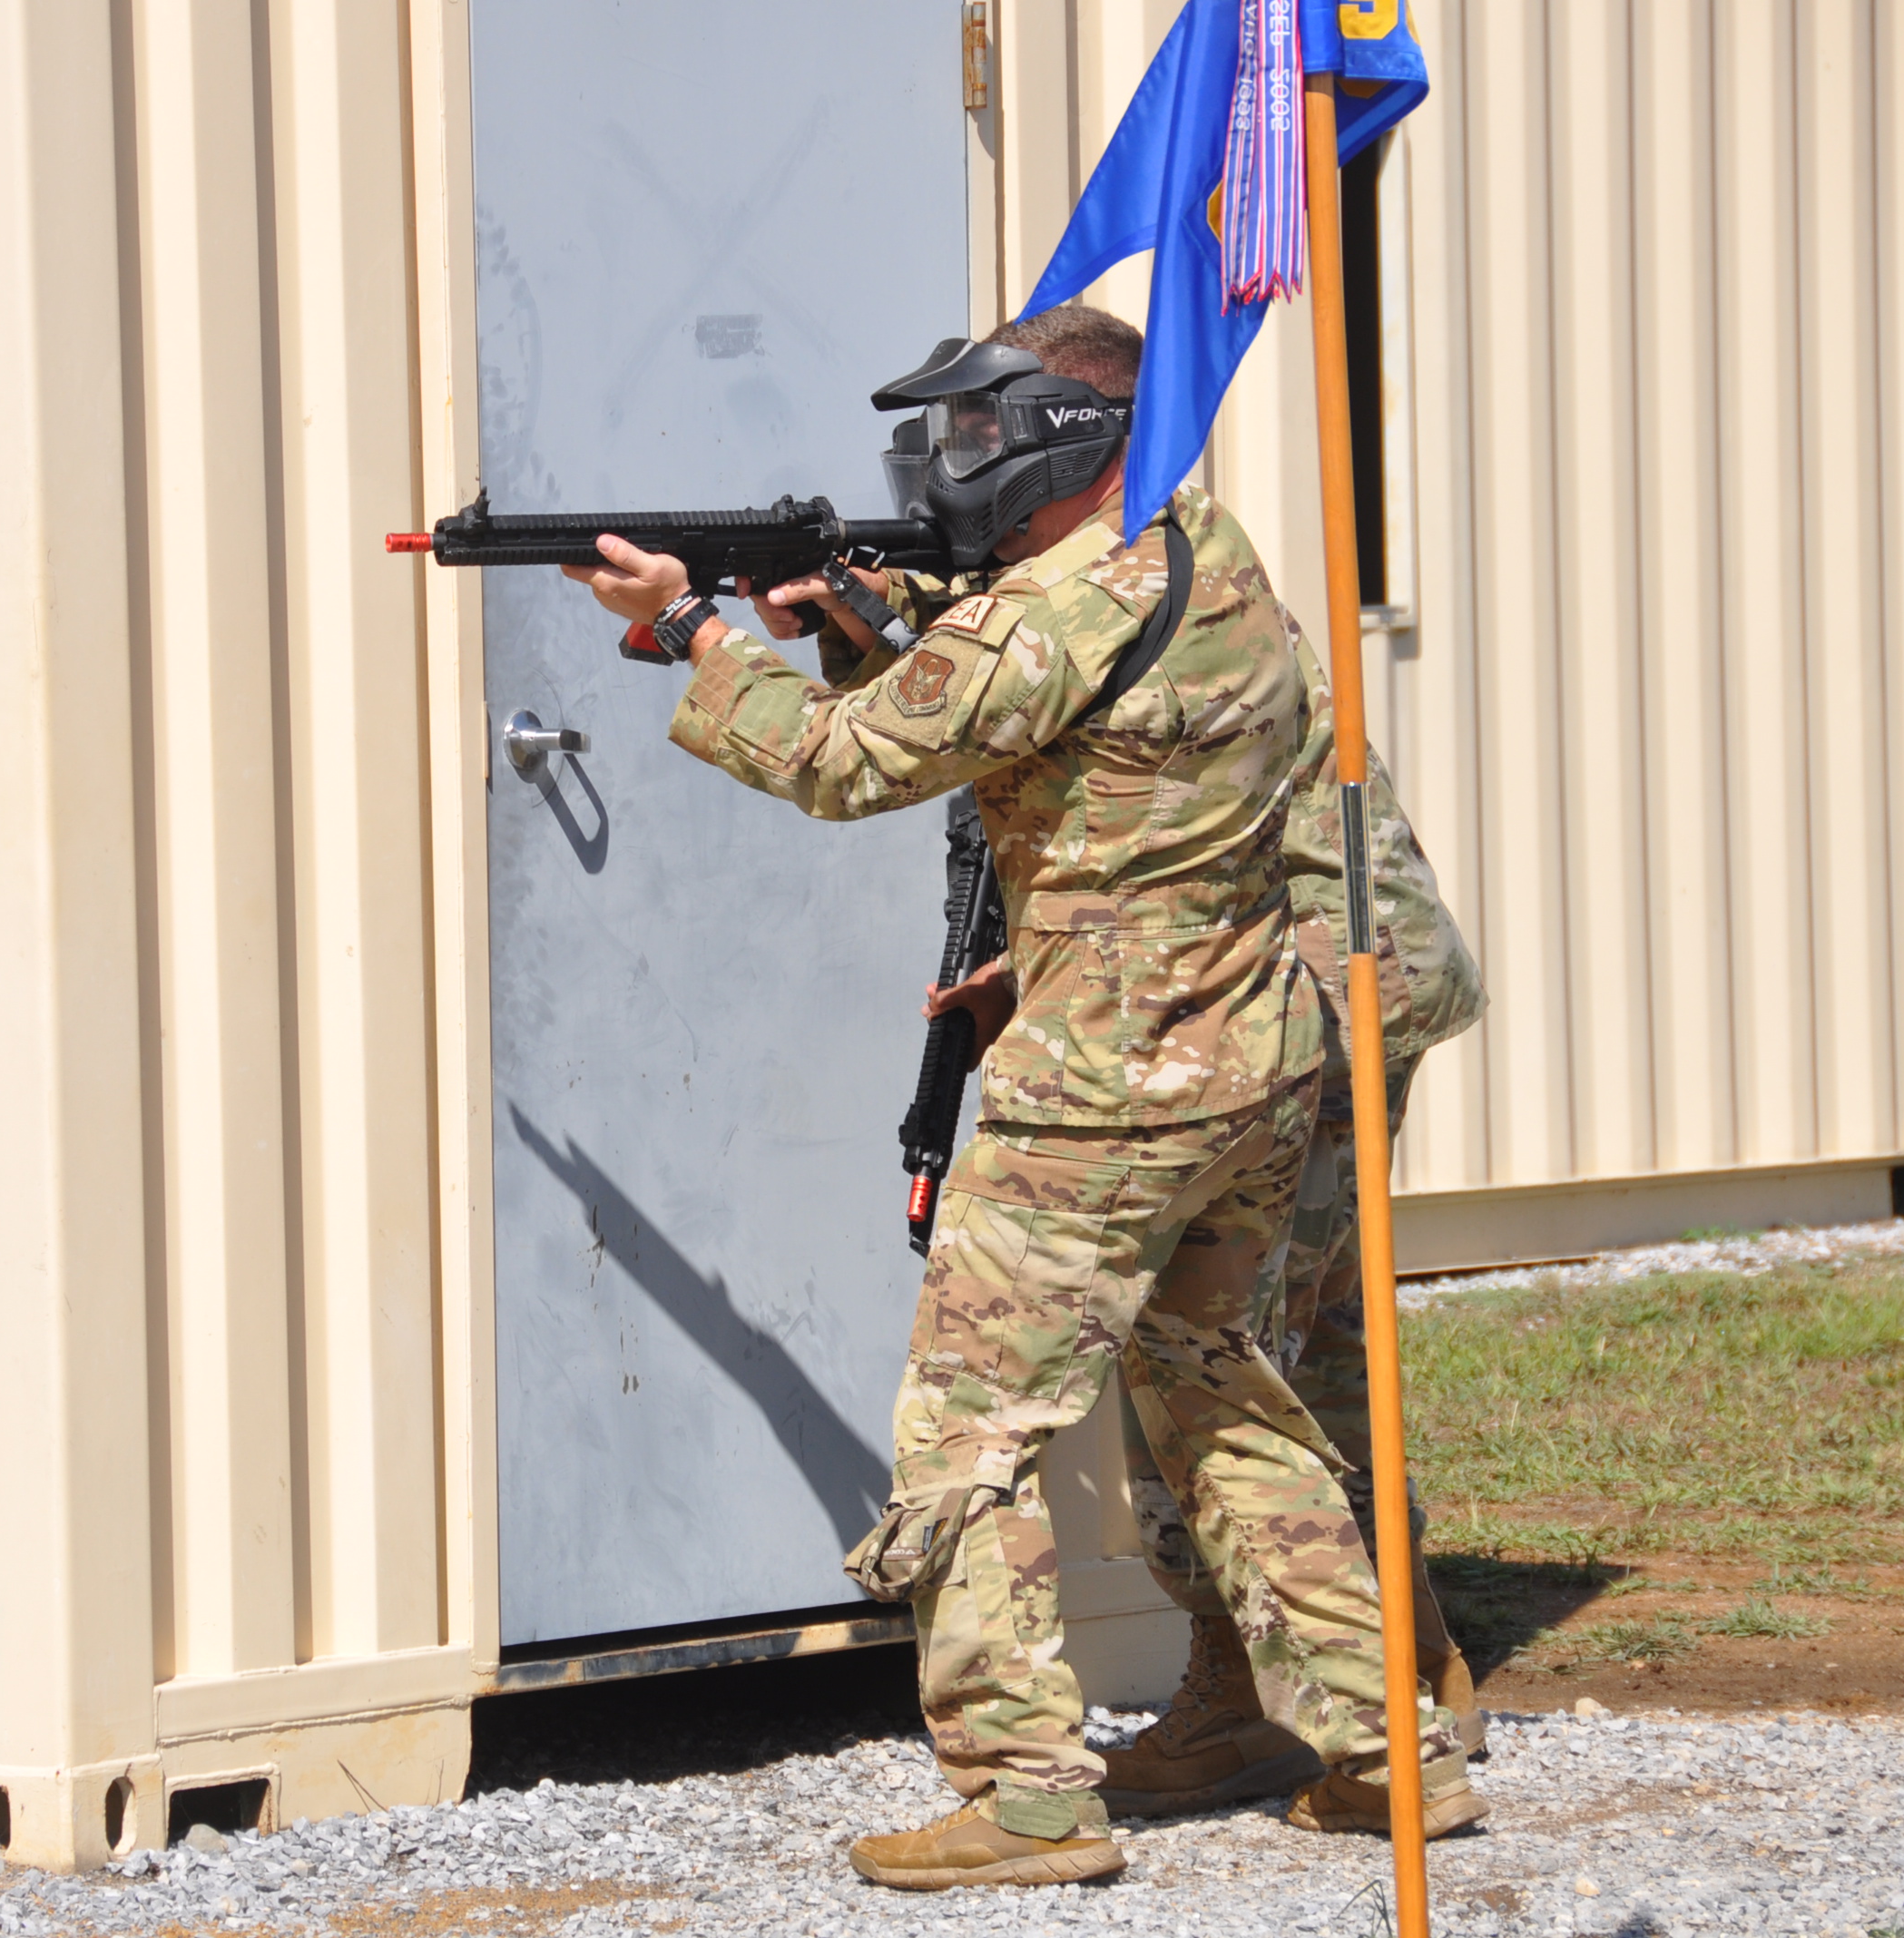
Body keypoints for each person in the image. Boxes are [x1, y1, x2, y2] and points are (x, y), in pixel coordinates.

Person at [561, 305, 1476, 1892]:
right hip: (1246, 1049)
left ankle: (1026, 1795)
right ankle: (1383, 1748)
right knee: (1217, 1390)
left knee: (968, 1430)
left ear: (1072, 438)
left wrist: (695, 637)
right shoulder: (1210, 555)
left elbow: (847, 760)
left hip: (1103, 1086)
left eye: (984, 438)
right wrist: (870, 608)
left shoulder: (1046, 615)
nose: (955, 467)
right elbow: (1061, 739)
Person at [913, 632, 1492, 1820]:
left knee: (1211, 1345)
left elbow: (1145, 842)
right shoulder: (1176, 576)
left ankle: (1263, 1709)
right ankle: (1415, 1670)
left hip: (1293, 990)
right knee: (1311, 1335)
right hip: (1351, 967)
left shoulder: (1084, 607)